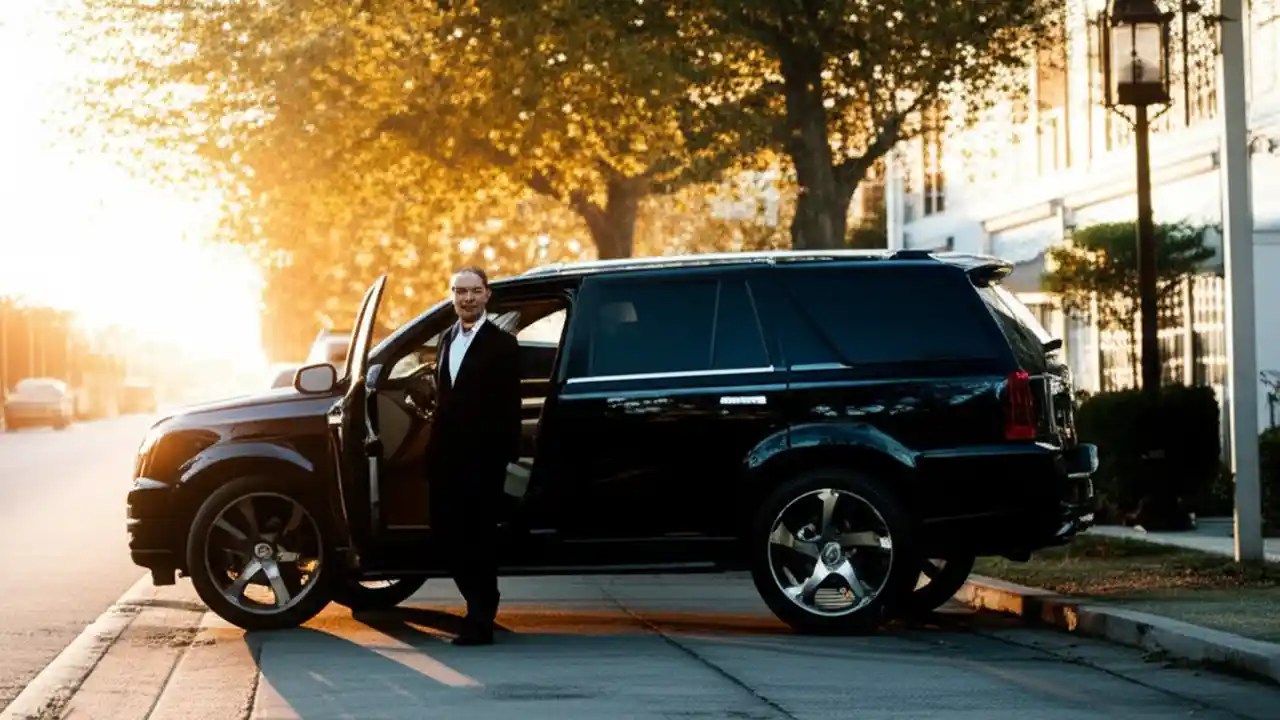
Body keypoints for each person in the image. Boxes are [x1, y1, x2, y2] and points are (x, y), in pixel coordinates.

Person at [425, 266, 522, 646]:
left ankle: (480, 617)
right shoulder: (446, 339)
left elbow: (510, 406)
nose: (468, 298)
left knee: (478, 538)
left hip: (483, 459)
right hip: (445, 458)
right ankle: (479, 602)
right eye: (460, 291)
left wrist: (503, 456)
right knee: (447, 536)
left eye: (475, 291)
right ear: (452, 296)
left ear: (487, 295)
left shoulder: (503, 344)